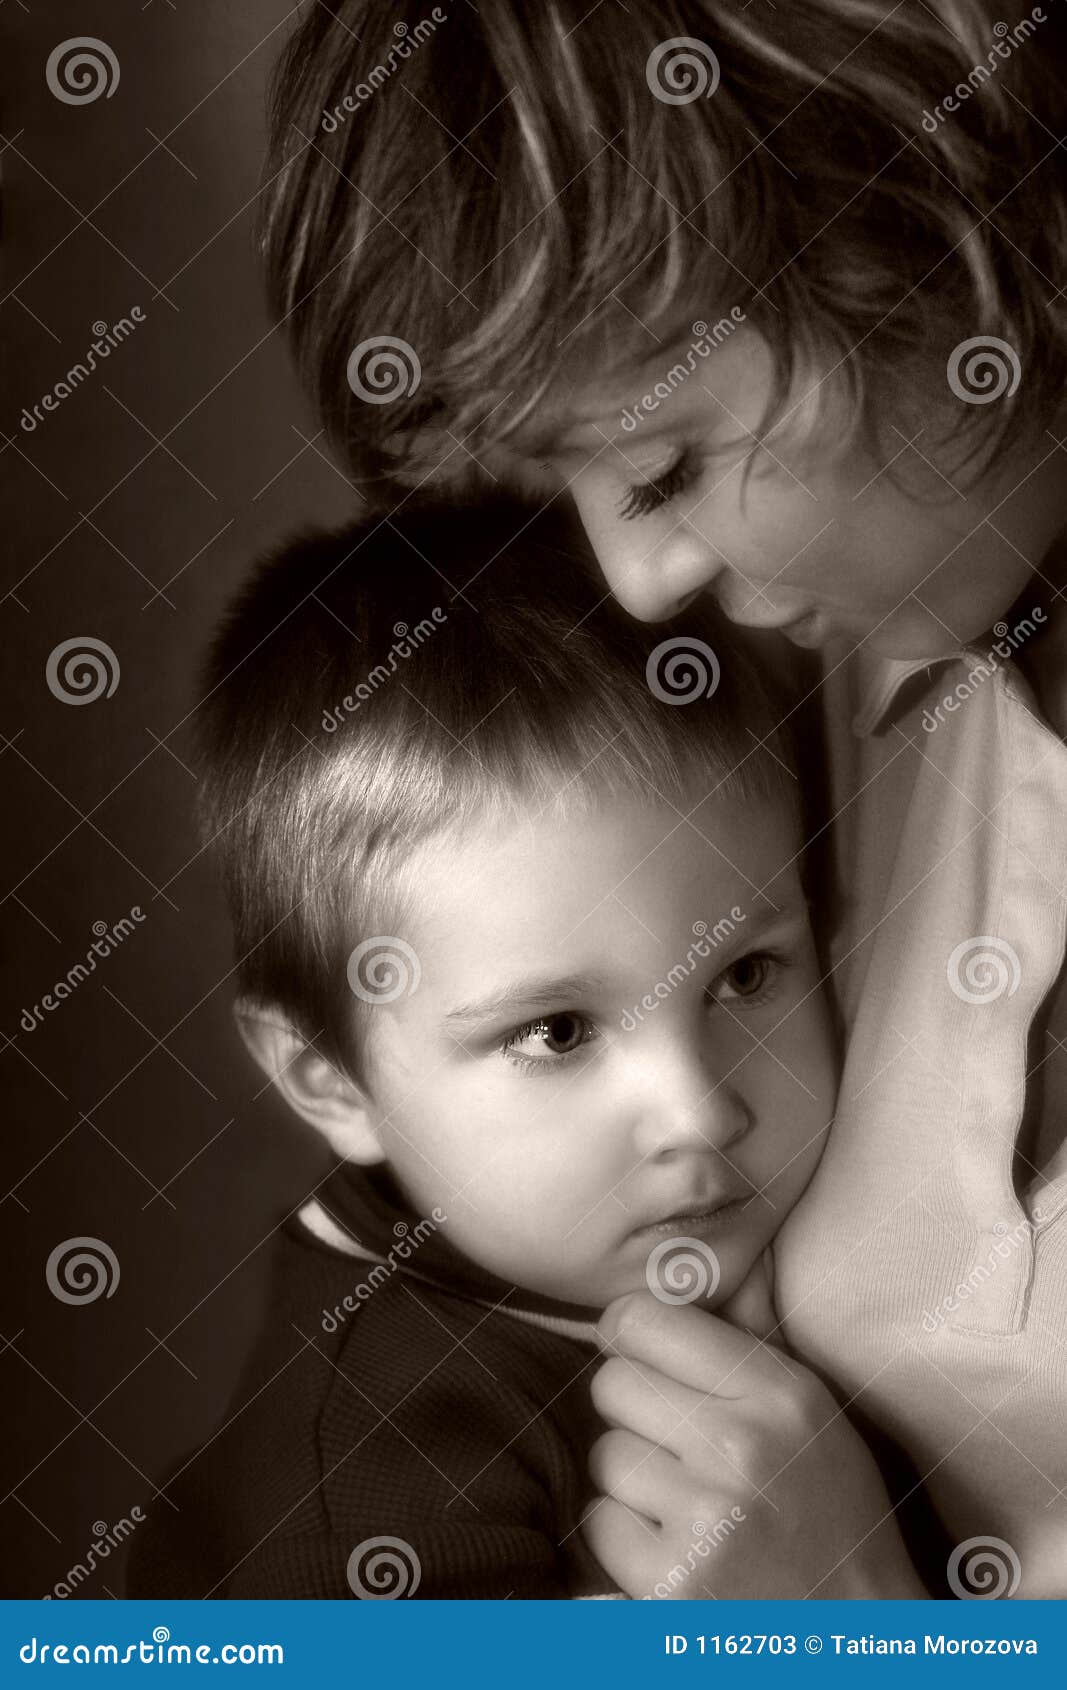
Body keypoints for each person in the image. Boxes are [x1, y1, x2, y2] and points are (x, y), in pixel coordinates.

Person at [258, 1, 1067, 1597]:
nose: (636, 583)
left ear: (937, 235)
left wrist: (854, 1636)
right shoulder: (861, 655)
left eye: (671, 465)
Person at [127, 503, 910, 1599]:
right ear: (331, 1079)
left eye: (742, 976)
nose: (698, 1111)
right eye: (555, 1032)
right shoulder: (361, 1502)